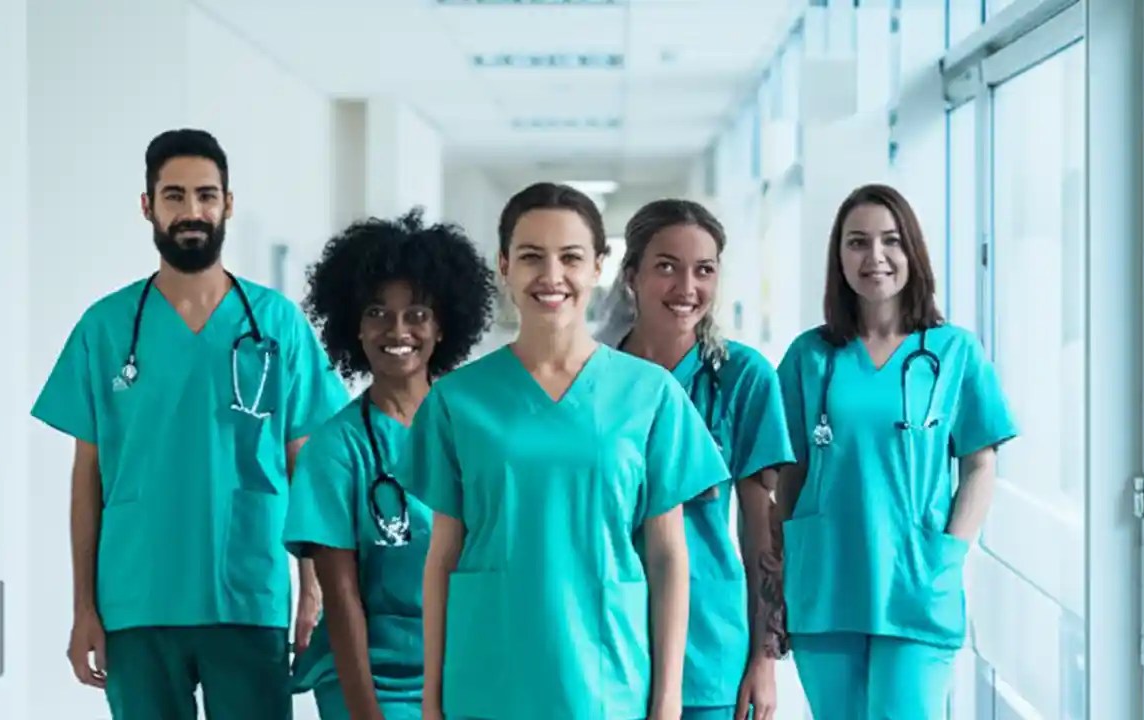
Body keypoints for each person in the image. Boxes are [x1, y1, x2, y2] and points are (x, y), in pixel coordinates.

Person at [30, 128, 350, 720]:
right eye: (173, 196)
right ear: (148, 207)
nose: (191, 210)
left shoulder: (277, 325)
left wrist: (312, 587)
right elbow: (87, 479)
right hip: (136, 599)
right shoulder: (106, 327)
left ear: (228, 204)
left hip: (248, 594)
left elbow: (304, 464)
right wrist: (83, 608)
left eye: (206, 195)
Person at [402, 182, 729, 720]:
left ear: (599, 266)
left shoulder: (649, 395)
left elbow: (669, 556)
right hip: (488, 677)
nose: (551, 276)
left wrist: (668, 701)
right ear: (504, 266)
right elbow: (442, 556)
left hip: (606, 679)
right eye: (531, 257)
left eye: (571, 257)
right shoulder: (458, 401)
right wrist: (431, 699)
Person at [776, 183, 1018, 718]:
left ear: (913, 251)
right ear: (838, 257)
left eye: (891, 240)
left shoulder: (954, 351)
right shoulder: (808, 356)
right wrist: (777, 578)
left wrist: (950, 551)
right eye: (857, 242)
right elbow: (789, 476)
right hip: (827, 583)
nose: (875, 257)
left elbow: (980, 462)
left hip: (917, 580)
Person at [281, 208, 496, 720]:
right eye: (377, 312)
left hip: (460, 663)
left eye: (417, 313)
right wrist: (366, 714)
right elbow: (342, 598)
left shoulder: (475, 433)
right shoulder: (337, 448)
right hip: (369, 676)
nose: (397, 330)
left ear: (444, 326)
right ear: (353, 325)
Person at [597, 199, 795, 720]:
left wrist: (764, 658)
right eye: (667, 267)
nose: (687, 289)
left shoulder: (742, 378)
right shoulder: (590, 379)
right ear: (631, 275)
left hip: (708, 647)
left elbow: (760, 530)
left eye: (704, 270)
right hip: (604, 638)